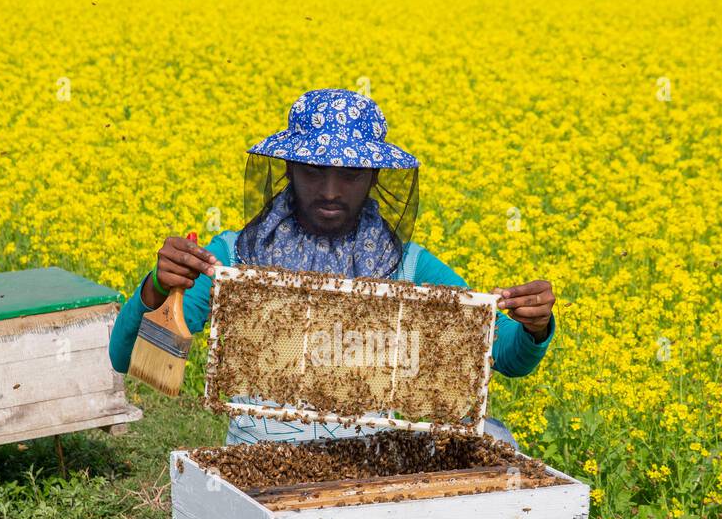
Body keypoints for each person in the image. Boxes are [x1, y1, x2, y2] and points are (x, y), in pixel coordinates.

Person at [109, 88, 557, 448]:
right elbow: (125, 357)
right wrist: (155, 289)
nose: (329, 191)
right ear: (287, 167)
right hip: (257, 464)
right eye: (312, 170)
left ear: (375, 177)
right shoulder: (231, 258)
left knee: (495, 439)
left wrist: (536, 326)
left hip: (368, 462)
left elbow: (504, 356)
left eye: (349, 175)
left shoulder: (409, 266)